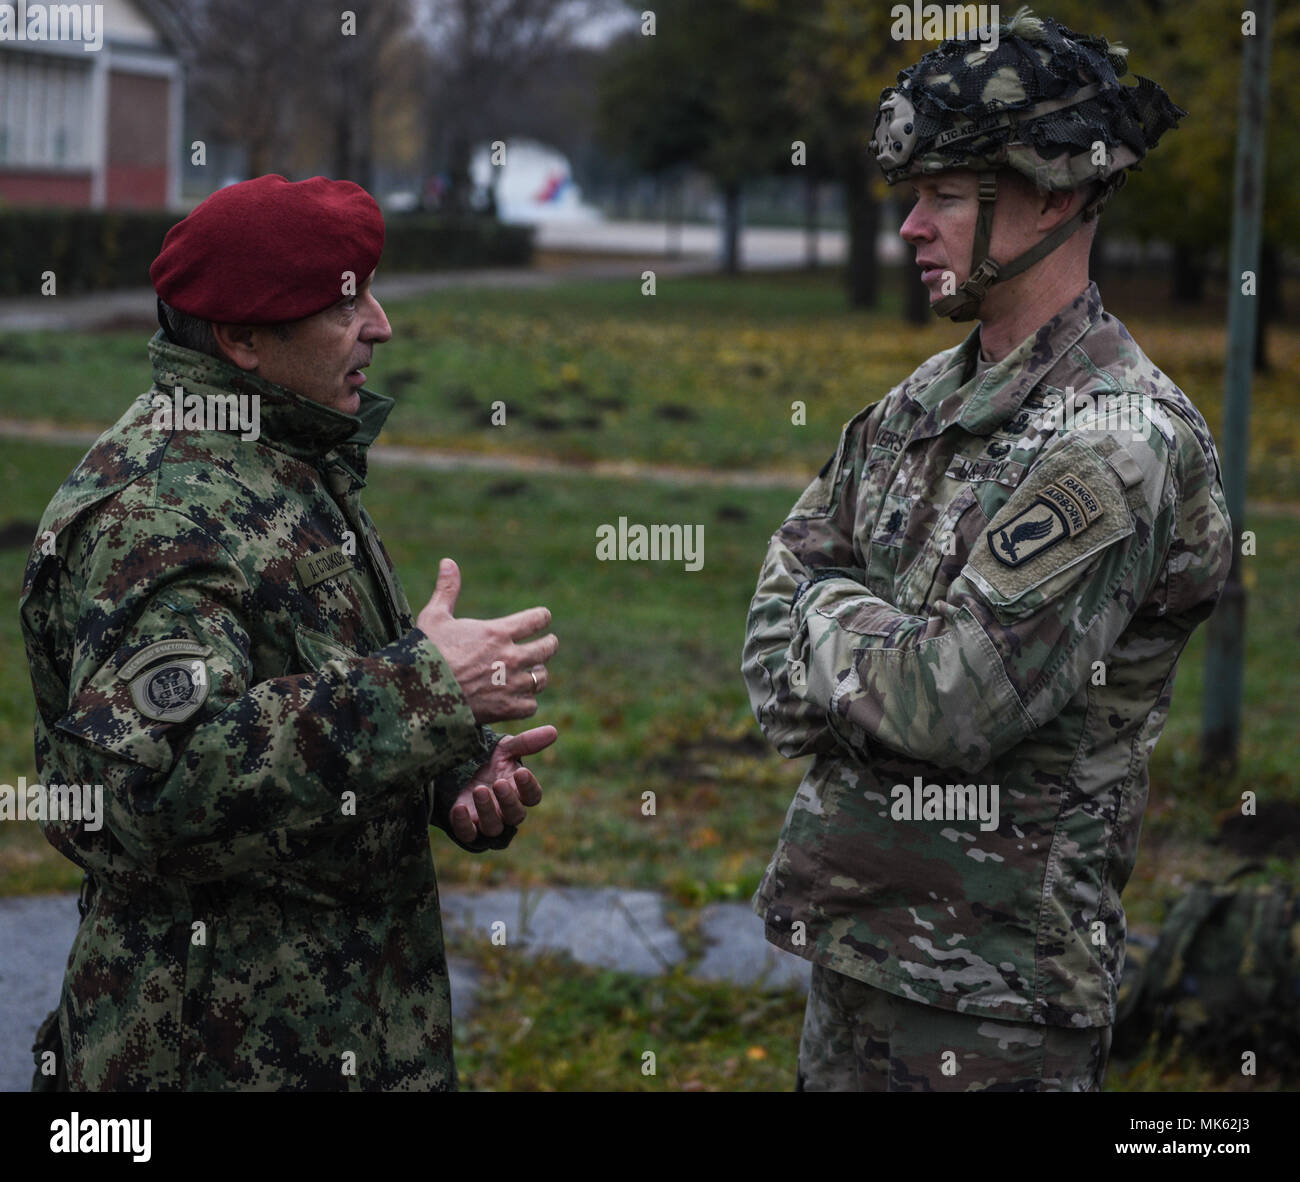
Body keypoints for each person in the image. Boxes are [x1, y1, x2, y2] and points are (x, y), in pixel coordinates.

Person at [741, 9, 1232, 1091]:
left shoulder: (1113, 444)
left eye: (944, 197)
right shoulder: (922, 403)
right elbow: (766, 669)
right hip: (861, 950)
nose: (912, 227)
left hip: (998, 999)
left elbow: (944, 703)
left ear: (1052, 194)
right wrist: (863, 642)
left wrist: (827, 619)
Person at [20, 174, 558, 1091]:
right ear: (241, 340)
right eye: (344, 305)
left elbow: (298, 696)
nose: (380, 325)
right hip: (213, 1049)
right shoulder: (160, 512)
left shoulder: (281, 456)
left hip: (340, 1028)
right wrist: (422, 689)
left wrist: (445, 771)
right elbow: (156, 790)